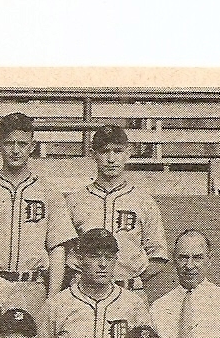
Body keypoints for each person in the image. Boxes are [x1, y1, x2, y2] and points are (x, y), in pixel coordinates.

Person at [0, 112, 77, 319]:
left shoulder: (48, 191)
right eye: (9, 143)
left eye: (22, 144)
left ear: (32, 146)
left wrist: (52, 299)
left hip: (33, 286)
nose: (15, 150)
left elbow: (57, 249)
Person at [66, 125, 168, 298]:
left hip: (129, 289)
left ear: (128, 152)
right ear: (93, 154)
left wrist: (136, 280)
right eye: (105, 151)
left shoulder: (143, 201)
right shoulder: (75, 200)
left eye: (118, 151)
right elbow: (63, 253)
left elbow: (158, 255)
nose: (111, 159)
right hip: (84, 292)